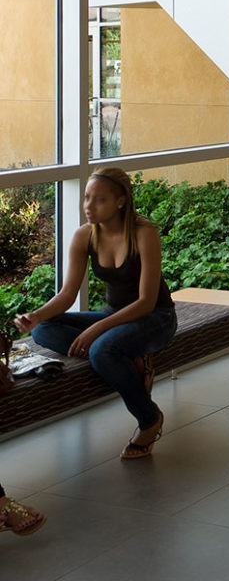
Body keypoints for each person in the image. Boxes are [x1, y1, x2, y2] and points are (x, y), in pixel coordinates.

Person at [14, 167, 177, 460]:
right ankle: (131, 358)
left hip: (155, 317)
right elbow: (67, 295)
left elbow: (146, 301)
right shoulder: (84, 236)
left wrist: (96, 330)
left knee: (101, 350)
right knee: (43, 329)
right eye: (87, 197)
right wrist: (36, 315)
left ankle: (150, 419)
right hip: (115, 317)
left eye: (99, 199)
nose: (88, 206)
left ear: (120, 201)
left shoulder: (144, 233)